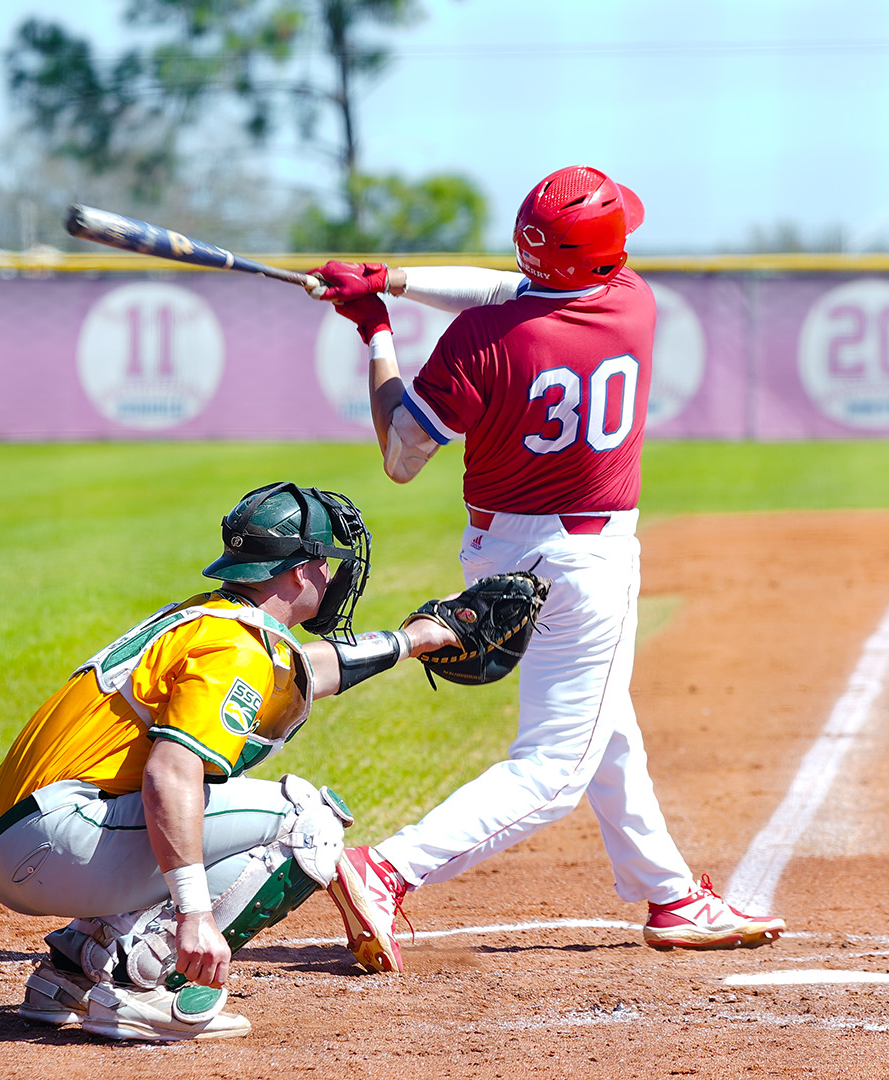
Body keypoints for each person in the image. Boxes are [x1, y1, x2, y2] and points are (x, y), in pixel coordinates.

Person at [306, 165, 785, 975]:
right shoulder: (635, 303)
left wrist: (378, 327)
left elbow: (399, 454)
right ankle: (388, 868)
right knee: (555, 769)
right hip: (586, 560)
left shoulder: (477, 344)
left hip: (494, 554)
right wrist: (393, 286)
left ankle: (670, 895)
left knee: (606, 724)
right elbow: (522, 292)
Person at [0, 483, 460, 1042]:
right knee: (306, 823)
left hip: (22, 836)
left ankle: (69, 973)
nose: (332, 576)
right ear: (299, 571)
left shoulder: (210, 619)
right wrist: (195, 913)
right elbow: (169, 774)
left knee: (208, 801)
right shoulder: (237, 649)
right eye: (325, 562)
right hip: (56, 841)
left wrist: (416, 640)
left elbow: (303, 669)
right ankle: (141, 984)